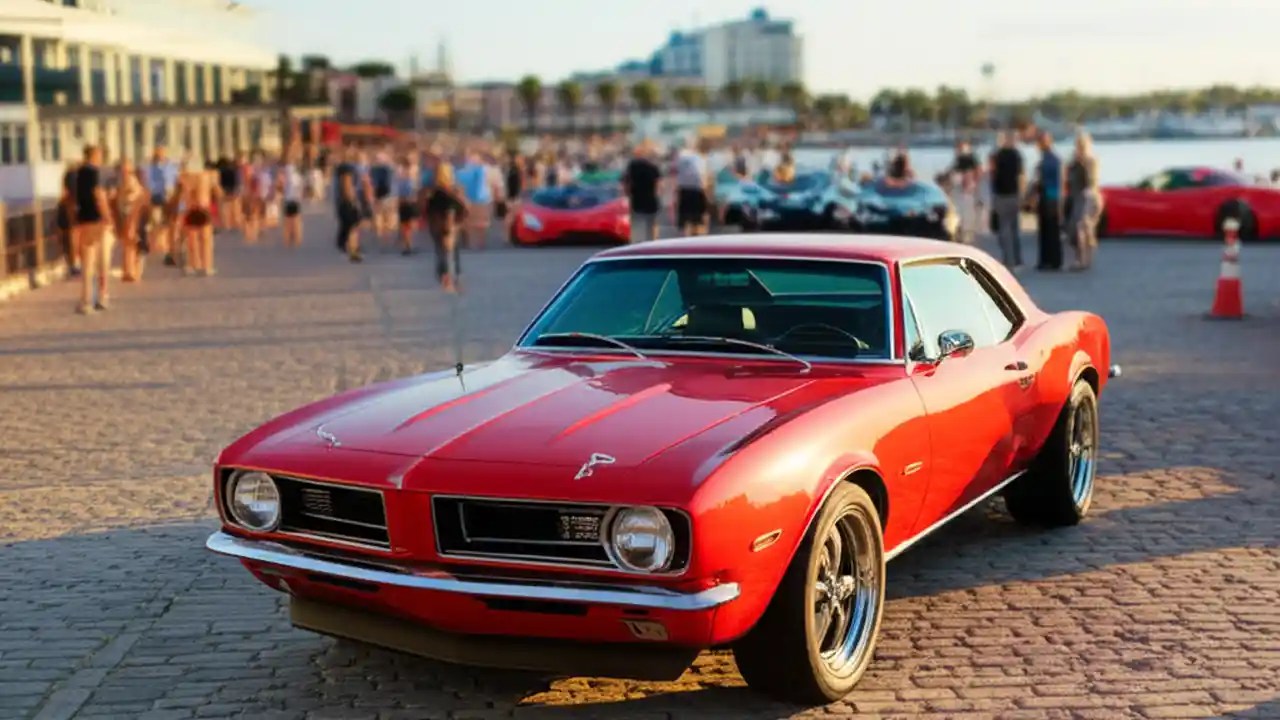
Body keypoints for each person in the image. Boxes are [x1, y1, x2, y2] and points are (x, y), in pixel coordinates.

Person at [71, 145, 114, 314]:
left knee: (87, 263)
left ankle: (86, 299)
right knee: (102, 260)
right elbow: (99, 196)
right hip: (98, 221)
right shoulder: (94, 173)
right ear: (94, 155)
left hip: (84, 219)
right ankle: (102, 296)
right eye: (100, 155)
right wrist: (108, 217)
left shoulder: (78, 173)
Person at [423, 162, 468, 292]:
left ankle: (443, 276)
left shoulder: (433, 193)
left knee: (441, 253)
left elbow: (428, 211)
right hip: (449, 226)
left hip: (436, 227)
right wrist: (450, 228)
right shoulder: (450, 193)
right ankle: (450, 279)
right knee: (450, 254)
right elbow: (452, 211)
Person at [1065, 130, 1103, 271]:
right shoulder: (1074, 162)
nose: (1079, 148)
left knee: (1083, 227)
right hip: (1076, 197)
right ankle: (1079, 258)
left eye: (1082, 145)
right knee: (1074, 228)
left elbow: (1091, 181)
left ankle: (1085, 260)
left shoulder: (1091, 160)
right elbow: (1068, 177)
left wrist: (1082, 161)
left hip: (1088, 196)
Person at [990, 131, 1025, 270]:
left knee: (1004, 230)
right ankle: (1017, 260)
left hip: (1001, 195)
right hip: (1013, 195)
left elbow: (992, 174)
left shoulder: (997, 155)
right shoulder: (1017, 155)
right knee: (1014, 229)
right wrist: (1022, 195)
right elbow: (1021, 176)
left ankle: (1008, 260)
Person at [143, 146, 180, 267]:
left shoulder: (171, 166)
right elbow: (148, 183)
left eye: (162, 153)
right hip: (156, 197)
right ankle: (158, 246)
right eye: (157, 153)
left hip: (170, 198)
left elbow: (176, 181)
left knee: (172, 225)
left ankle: (171, 251)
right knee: (156, 223)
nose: (160, 156)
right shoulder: (149, 168)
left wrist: (175, 194)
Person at [114, 158, 147, 282]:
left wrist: (134, 218)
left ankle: (134, 271)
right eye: (123, 171)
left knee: (134, 241)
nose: (125, 173)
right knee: (128, 242)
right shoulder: (121, 182)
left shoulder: (132, 182)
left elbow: (139, 199)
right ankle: (128, 270)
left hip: (133, 214)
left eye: (128, 171)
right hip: (125, 214)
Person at [622, 140, 661, 243]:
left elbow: (626, 182)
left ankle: (635, 242)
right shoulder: (653, 167)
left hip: (636, 198)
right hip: (650, 198)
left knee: (635, 223)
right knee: (651, 223)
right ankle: (653, 242)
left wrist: (627, 194)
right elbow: (658, 184)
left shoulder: (632, 166)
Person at [455, 149, 494, 251]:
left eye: (475, 158)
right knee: (467, 223)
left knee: (482, 224)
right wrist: (462, 199)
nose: (473, 160)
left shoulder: (485, 170)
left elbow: (491, 184)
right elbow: (459, 187)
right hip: (470, 199)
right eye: (471, 158)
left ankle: (480, 243)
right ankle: (468, 243)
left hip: (483, 199)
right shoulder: (461, 172)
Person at [674, 139, 711, 236]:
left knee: (686, 219)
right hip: (697, 190)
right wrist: (707, 194)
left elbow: (676, 174)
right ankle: (698, 240)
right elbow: (703, 176)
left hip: (684, 190)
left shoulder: (680, 157)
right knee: (698, 219)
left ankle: (686, 240)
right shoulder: (701, 158)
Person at [369, 149, 396, 244]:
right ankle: (386, 236)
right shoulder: (389, 168)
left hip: (379, 193)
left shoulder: (373, 169)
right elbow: (392, 182)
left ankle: (379, 235)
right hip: (388, 194)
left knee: (378, 214)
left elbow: (373, 183)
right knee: (387, 215)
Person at [336, 168, 364, 263]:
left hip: (345, 206)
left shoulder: (341, 183)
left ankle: (351, 249)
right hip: (348, 206)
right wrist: (355, 202)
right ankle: (353, 251)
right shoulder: (346, 182)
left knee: (351, 229)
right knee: (353, 229)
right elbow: (349, 195)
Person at [277, 152, 304, 248]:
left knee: (288, 224)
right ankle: (297, 243)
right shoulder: (297, 173)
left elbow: (280, 186)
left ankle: (287, 244)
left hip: (288, 199)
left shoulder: (283, 172)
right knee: (296, 223)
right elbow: (301, 187)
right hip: (295, 200)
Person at [394, 156, 419, 255]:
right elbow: (410, 194)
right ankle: (407, 246)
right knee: (407, 226)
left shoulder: (402, 179)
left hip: (404, 204)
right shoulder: (408, 180)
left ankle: (407, 245)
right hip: (407, 204)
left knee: (406, 226)